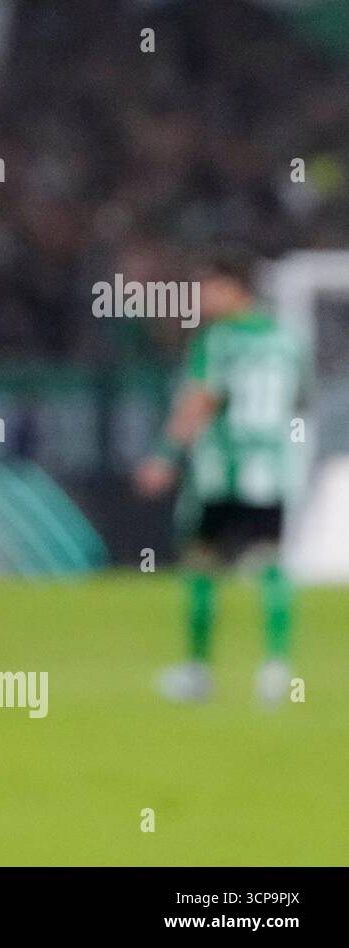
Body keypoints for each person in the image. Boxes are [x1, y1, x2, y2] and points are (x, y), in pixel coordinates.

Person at [135, 248, 308, 707]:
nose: (204, 300)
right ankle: (276, 669)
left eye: (211, 289)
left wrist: (164, 456)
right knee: (270, 564)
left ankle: (197, 671)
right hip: (272, 472)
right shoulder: (287, 339)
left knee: (201, 564)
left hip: (221, 473)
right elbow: (301, 398)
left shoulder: (218, 341)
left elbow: (200, 400)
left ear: (237, 288)